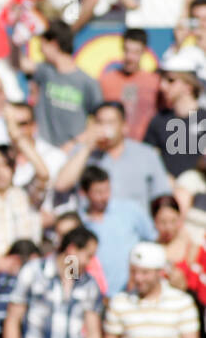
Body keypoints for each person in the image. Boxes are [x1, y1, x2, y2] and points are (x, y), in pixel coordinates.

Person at [53, 102, 171, 212]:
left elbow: (162, 196)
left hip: (133, 230)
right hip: (90, 228)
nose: (105, 127)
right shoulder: (82, 151)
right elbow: (61, 185)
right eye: (100, 122)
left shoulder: (146, 154)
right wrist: (88, 147)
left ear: (124, 126)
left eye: (110, 123)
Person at [77, 164, 156, 296]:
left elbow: (153, 241)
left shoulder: (131, 209)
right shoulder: (78, 221)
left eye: (107, 190)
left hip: (132, 293)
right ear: (84, 193)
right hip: (93, 296)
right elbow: (71, 259)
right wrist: (74, 285)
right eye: (98, 192)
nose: (104, 196)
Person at [26, 20, 103, 149]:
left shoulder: (88, 82)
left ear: (54, 44)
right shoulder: (46, 72)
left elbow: (100, 120)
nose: (40, 51)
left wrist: (74, 144)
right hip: (44, 148)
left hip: (73, 152)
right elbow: (19, 64)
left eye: (42, 45)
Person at [98, 28, 161, 141]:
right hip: (113, 144)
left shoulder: (155, 82)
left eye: (136, 52)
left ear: (144, 52)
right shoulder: (107, 80)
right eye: (127, 50)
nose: (130, 57)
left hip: (144, 145)